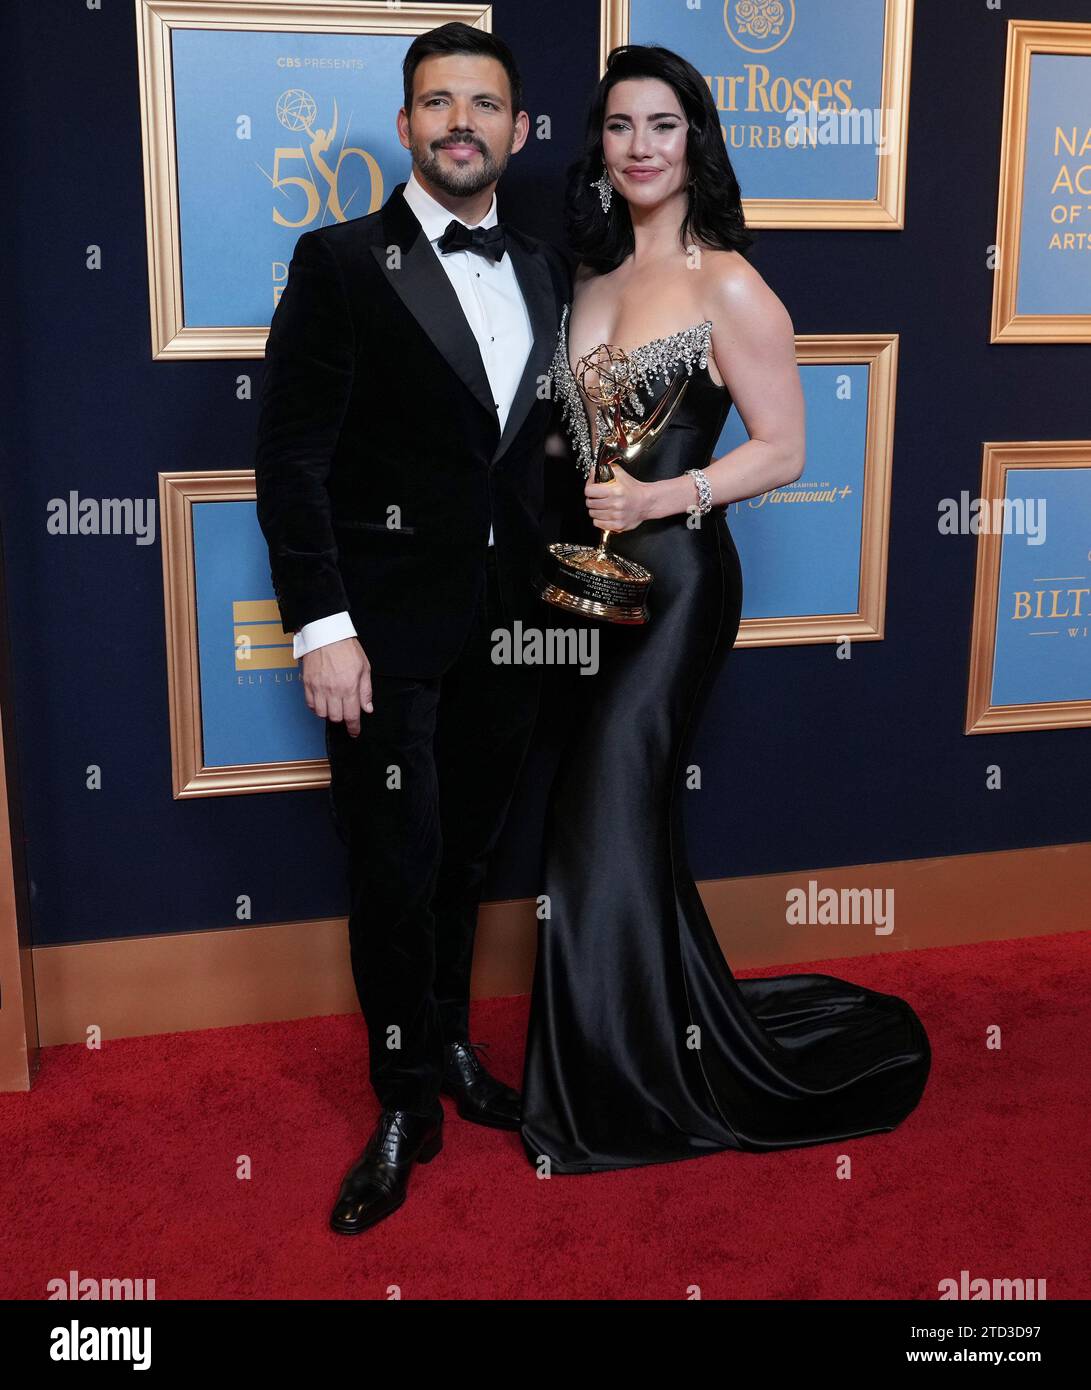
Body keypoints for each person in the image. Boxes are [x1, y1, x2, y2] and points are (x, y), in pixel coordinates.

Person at [520, 45, 931, 1173]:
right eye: (618, 127)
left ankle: (615, 1090)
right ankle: (654, 1045)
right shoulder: (585, 276)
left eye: (662, 124)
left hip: (681, 582)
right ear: (598, 147)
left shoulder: (729, 281)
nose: (640, 147)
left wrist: (662, 493)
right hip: (583, 584)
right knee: (619, 823)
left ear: (695, 138)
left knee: (598, 816)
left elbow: (788, 448)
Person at [254, 22, 570, 1231]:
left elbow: (523, 458)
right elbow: (290, 461)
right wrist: (321, 625)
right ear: (404, 127)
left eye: (482, 104)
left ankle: (444, 1048)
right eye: (437, 103)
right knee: (394, 864)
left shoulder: (541, 268)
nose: (459, 123)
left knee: (469, 855)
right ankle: (399, 1100)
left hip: (511, 629)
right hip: (378, 637)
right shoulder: (336, 262)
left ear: (516, 130)